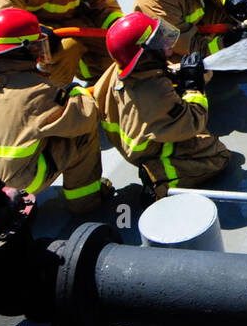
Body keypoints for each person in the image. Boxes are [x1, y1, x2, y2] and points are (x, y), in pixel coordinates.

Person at [0, 9, 110, 214]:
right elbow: (85, 117)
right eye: (36, 46)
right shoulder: (39, 92)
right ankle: (85, 202)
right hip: (24, 182)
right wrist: (76, 92)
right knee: (82, 135)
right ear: (25, 50)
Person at [94, 12, 231, 198]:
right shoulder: (154, 93)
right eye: (158, 41)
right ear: (143, 54)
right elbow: (192, 121)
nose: (166, 43)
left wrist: (179, 74)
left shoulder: (120, 69)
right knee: (219, 155)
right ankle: (160, 178)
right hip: (149, 148)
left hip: (133, 134)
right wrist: (194, 87)